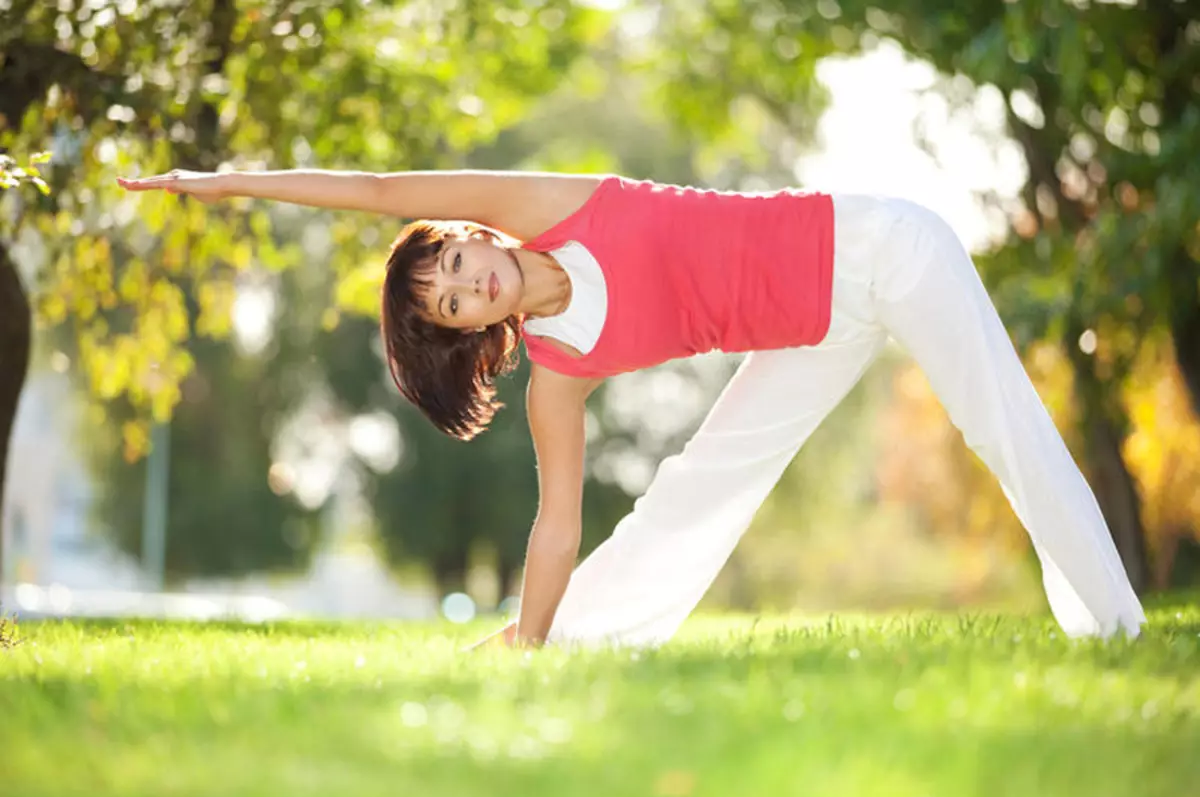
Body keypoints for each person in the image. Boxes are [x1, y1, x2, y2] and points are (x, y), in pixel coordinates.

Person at [117, 168, 1146, 649]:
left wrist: (232, 184)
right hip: (815, 323)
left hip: (884, 247)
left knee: (997, 421)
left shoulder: (546, 206)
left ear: (467, 234)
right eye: (449, 302)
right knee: (698, 483)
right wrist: (526, 632)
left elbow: (385, 185)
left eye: (454, 262)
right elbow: (555, 524)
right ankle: (565, 646)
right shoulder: (559, 373)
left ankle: (1116, 621)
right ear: (468, 331)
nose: (469, 283)